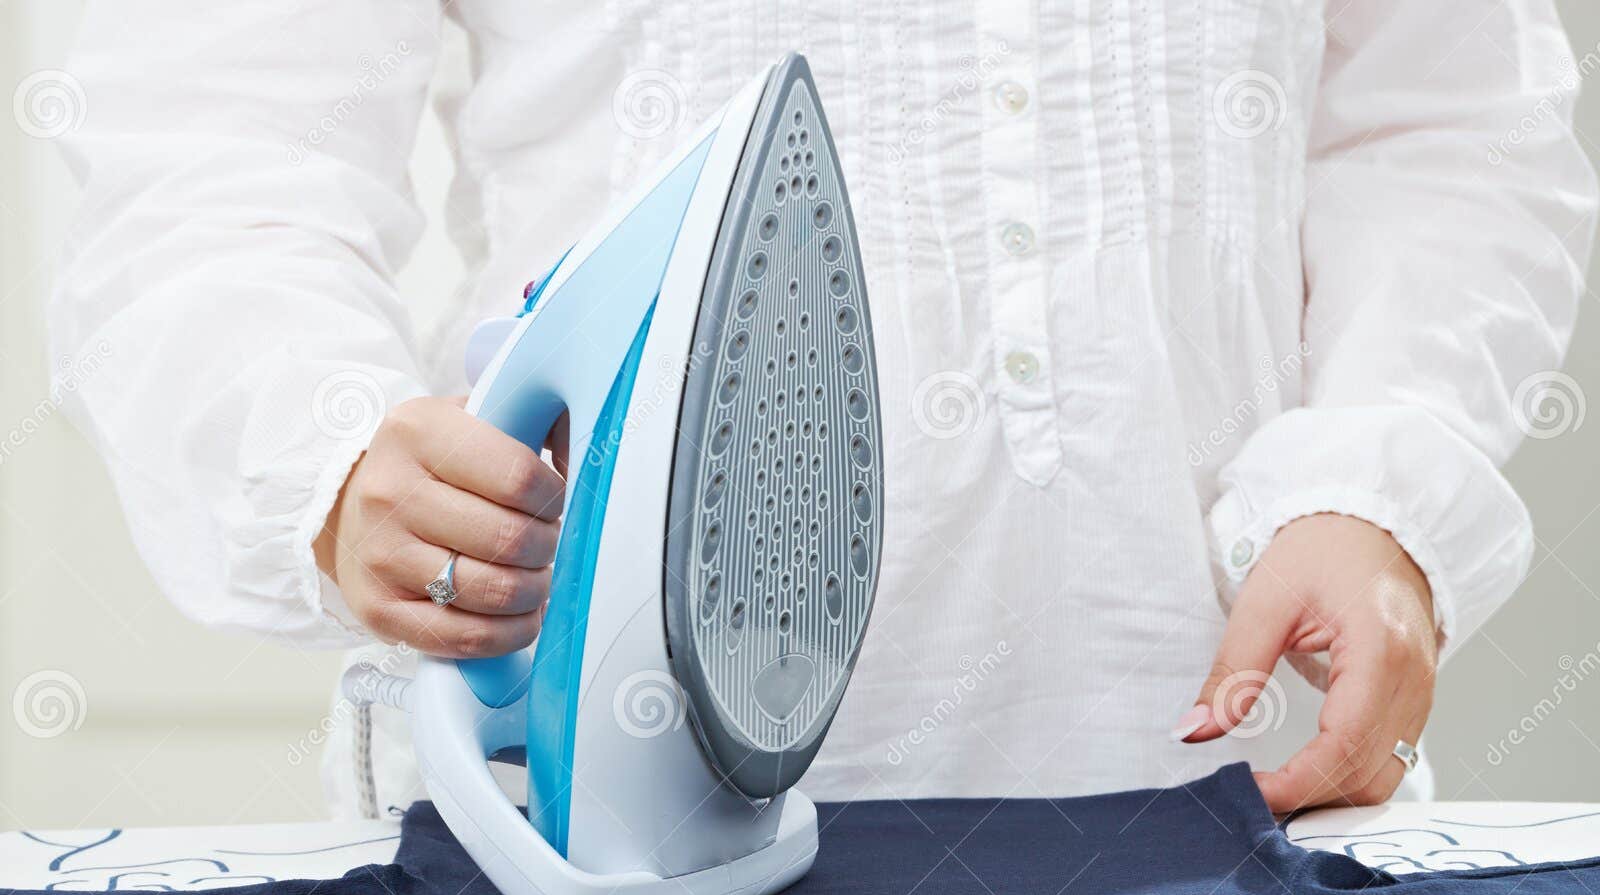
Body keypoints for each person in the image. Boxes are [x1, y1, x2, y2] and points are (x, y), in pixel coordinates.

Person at [49, 2, 1596, 816]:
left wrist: (1378, 473)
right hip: (593, 855)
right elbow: (210, 159)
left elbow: (1449, 115)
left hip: (1229, 804)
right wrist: (326, 455)